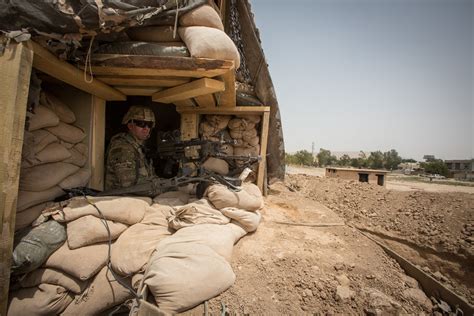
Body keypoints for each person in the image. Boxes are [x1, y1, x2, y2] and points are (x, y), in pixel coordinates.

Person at [105, 105, 156, 190]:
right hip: (121, 198)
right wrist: (162, 188)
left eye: (149, 124)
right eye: (141, 124)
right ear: (130, 126)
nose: (146, 128)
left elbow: (150, 177)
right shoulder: (123, 149)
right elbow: (129, 185)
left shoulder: (138, 147)